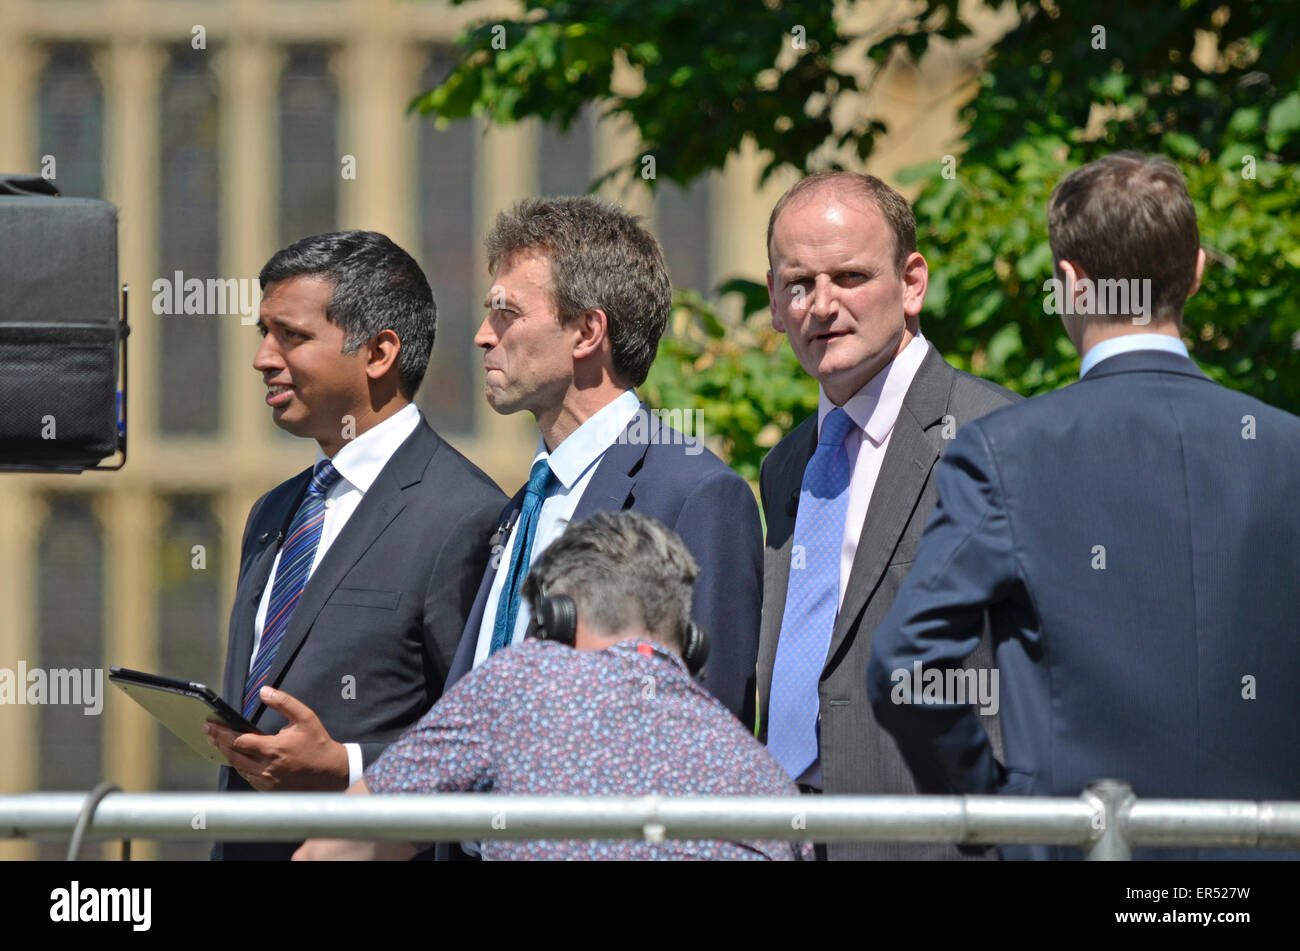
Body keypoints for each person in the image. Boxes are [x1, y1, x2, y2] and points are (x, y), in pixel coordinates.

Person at [866, 152, 1300, 860]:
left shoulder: (1006, 449)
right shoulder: (1287, 448)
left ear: (1069, 284)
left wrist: (1002, 815)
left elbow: (907, 662)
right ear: (1193, 271)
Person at [206, 231, 506, 861]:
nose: (263, 357)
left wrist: (345, 766)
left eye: (290, 335)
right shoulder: (272, 512)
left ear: (378, 352)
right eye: (263, 332)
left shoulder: (464, 515)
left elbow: (482, 746)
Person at [757, 171, 1019, 860]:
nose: (822, 305)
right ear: (774, 303)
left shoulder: (998, 437)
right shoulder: (785, 465)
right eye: (799, 283)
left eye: (849, 276)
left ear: (912, 283)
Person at [294, 511, 810, 861]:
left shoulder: (521, 681)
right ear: (692, 643)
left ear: (557, 621)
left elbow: (330, 849)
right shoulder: (769, 785)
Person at [442, 196, 763, 727]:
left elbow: (705, 732)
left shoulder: (696, 495)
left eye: (507, 313)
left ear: (588, 332)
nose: (482, 335)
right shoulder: (524, 507)